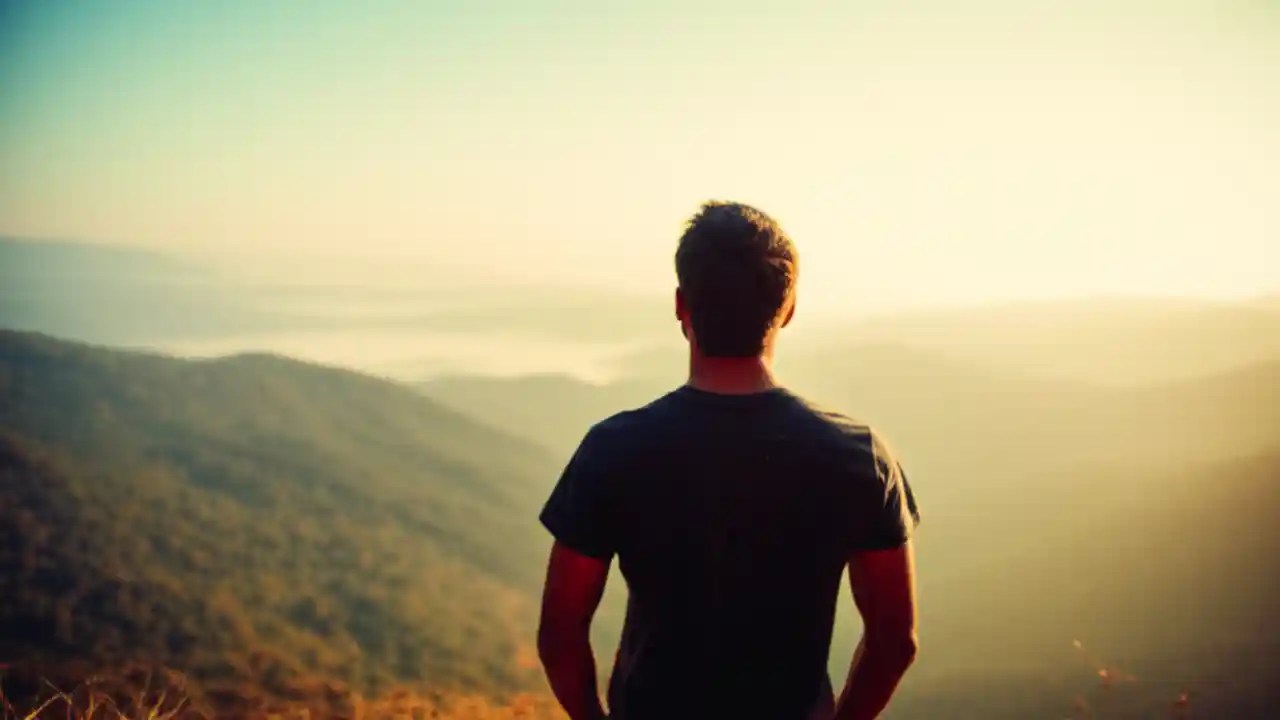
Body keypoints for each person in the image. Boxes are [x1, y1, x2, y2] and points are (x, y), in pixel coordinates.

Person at [537, 201, 920, 720]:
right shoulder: (858, 457)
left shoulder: (613, 450)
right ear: (787, 309)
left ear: (681, 306)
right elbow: (895, 641)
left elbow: (560, 633)